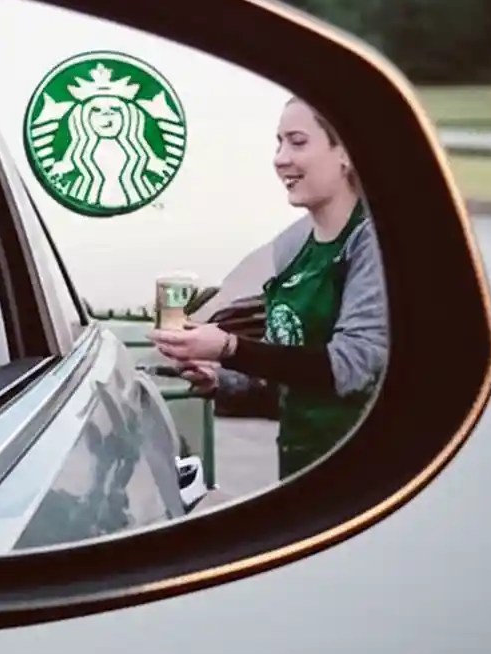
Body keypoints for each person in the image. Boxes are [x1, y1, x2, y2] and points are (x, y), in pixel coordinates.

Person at [149, 97, 388, 480]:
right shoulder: (294, 247)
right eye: (279, 143)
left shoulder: (369, 242)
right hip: (300, 466)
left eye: (297, 142)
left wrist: (229, 347)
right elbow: (287, 365)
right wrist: (220, 379)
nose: (280, 159)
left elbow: (351, 366)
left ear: (346, 152)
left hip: (358, 469)